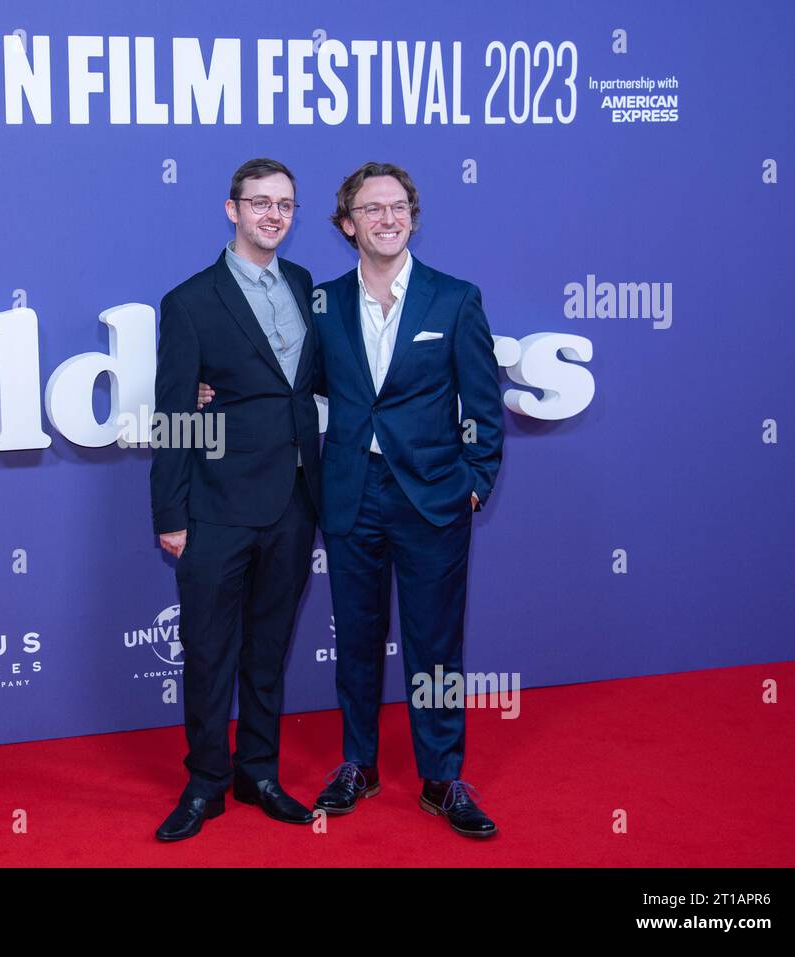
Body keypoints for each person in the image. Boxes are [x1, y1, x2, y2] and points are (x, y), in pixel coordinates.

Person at [199, 162, 505, 837]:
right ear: (347, 225)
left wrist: (475, 482)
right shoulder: (322, 303)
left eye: (398, 207)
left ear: (413, 217)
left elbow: (483, 404)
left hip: (432, 499)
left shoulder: (455, 299)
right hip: (349, 492)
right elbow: (284, 381)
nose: (387, 218)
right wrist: (211, 388)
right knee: (357, 640)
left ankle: (442, 775)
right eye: (372, 209)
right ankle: (358, 764)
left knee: (437, 645)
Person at [150, 158, 323, 842]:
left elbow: (303, 386)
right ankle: (205, 783)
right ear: (232, 210)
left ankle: (258, 771)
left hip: (293, 500)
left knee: (268, 648)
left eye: (284, 204)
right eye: (259, 203)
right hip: (217, 507)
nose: (273, 215)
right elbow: (174, 415)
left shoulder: (305, 284)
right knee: (208, 650)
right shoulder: (190, 301)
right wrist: (170, 514)